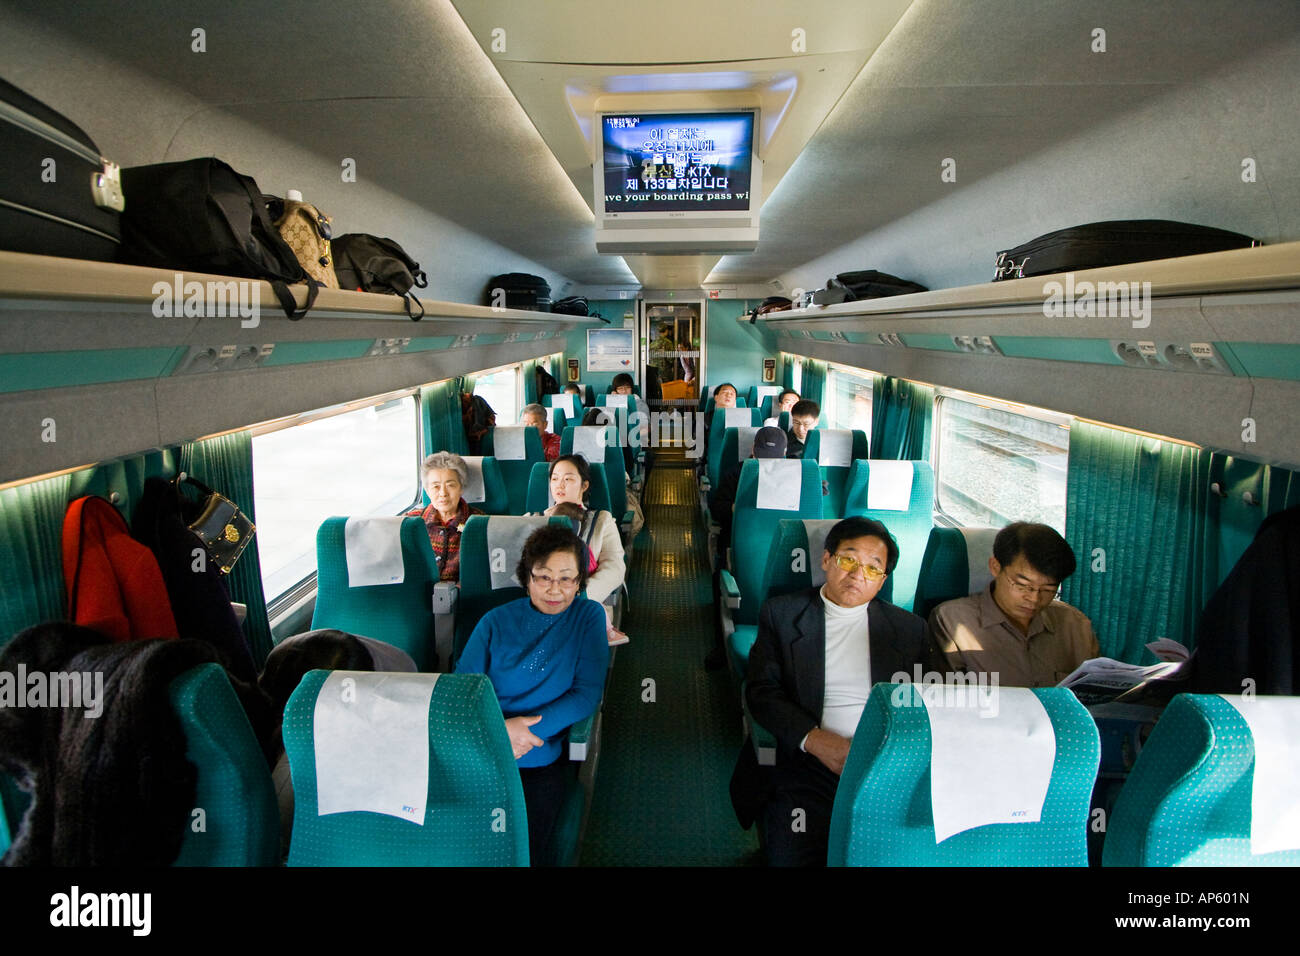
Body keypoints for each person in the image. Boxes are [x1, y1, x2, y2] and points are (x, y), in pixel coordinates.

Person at [744, 516, 929, 866]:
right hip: (810, 762)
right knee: (796, 853)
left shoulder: (909, 631)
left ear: (883, 581)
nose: (859, 574)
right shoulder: (783, 615)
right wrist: (813, 739)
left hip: (886, 763)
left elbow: (928, 702)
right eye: (849, 559)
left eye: (874, 568)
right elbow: (762, 691)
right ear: (827, 560)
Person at [455, 525, 609, 863]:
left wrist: (525, 733)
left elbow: (586, 694)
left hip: (540, 752)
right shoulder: (494, 622)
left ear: (580, 581)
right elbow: (463, 688)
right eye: (543, 577)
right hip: (481, 744)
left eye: (567, 579)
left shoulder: (588, 617)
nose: (555, 590)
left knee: (525, 849)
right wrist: (499, 733)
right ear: (527, 578)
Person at [929, 522, 1099, 687]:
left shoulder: (1075, 624)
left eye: (1048, 589)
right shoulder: (952, 621)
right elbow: (948, 702)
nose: (1034, 598)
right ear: (995, 567)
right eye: (1022, 585)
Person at [528, 455, 628, 643]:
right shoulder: (531, 520)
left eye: (568, 479)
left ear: (584, 485)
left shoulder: (601, 520)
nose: (560, 485)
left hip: (585, 605)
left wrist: (580, 596)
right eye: (555, 479)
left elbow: (615, 567)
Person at [404, 452, 484, 582]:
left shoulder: (479, 522)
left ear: (461, 488)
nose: (443, 493)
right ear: (427, 490)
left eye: (450, 485)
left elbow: (481, 571)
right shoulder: (410, 523)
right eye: (435, 486)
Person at [710, 425, 786, 557]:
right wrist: (736, 508)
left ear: (784, 453)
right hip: (741, 534)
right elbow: (717, 509)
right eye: (761, 457)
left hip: (777, 536)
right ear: (753, 449)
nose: (765, 463)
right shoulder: (735, 474)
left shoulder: (792, 477)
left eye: (772, 459)